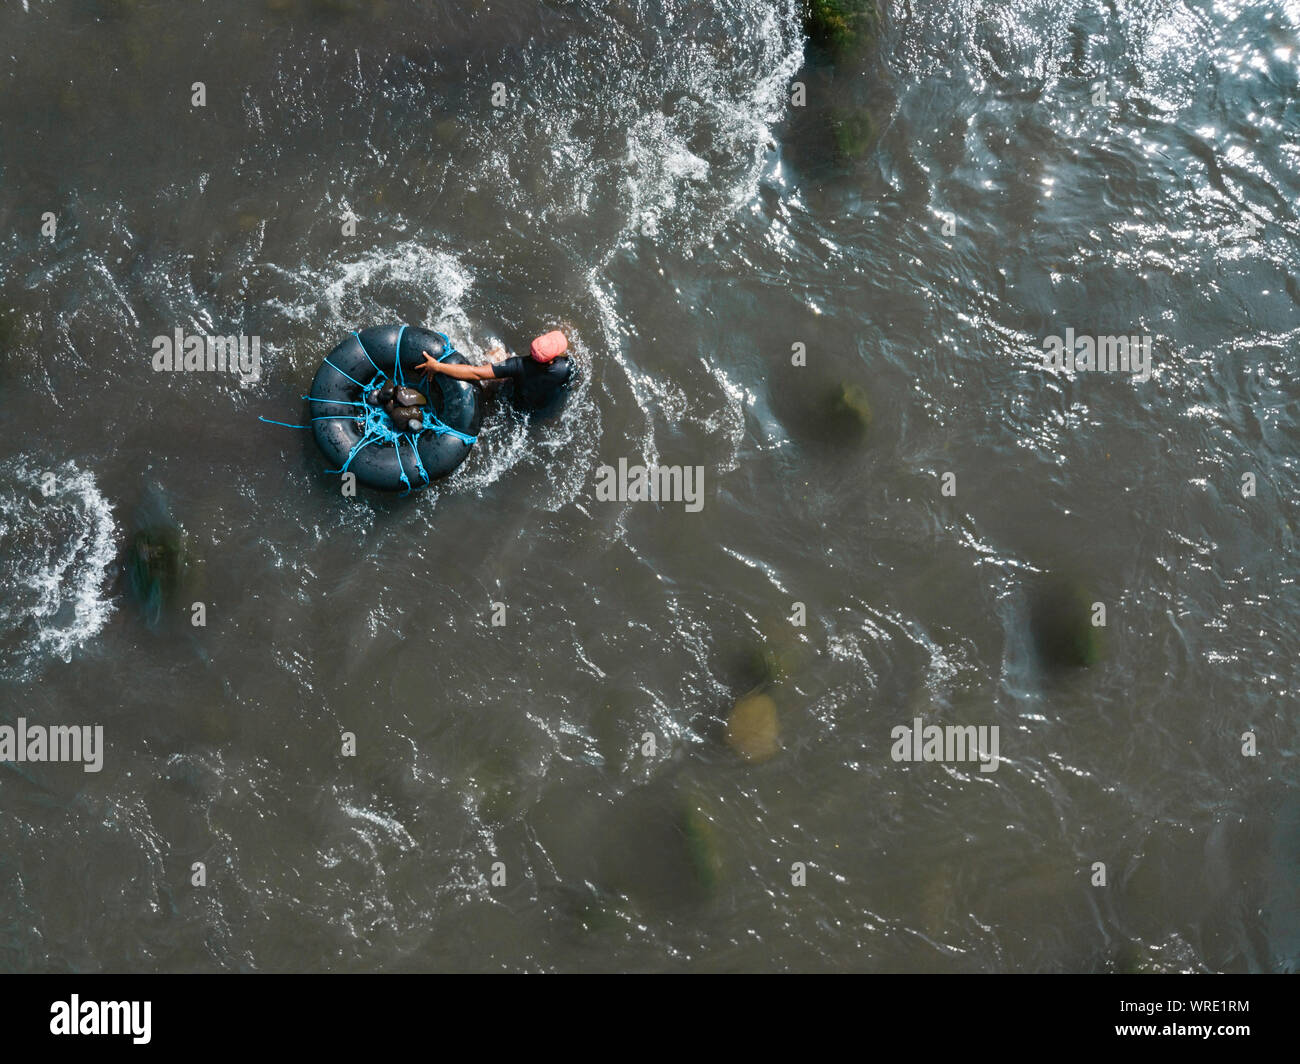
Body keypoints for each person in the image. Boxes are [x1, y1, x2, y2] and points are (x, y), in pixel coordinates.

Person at [417, 330, 573, 414]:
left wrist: (438, 366)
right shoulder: (566, 368)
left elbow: (475, 373)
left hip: (513, 403)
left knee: (495, 352)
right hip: (540, 410)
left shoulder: (517, 365)